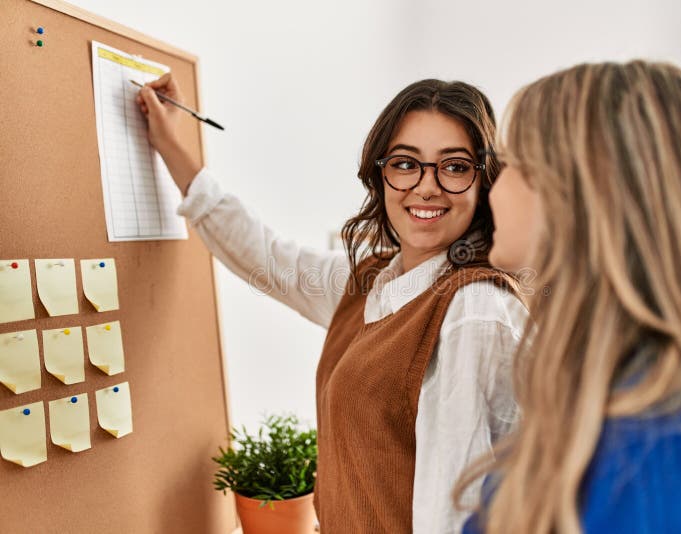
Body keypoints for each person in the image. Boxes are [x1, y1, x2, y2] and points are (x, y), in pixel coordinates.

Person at [136, 76, 528, 533]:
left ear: (484, 180)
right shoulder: (371, 282)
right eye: (405, 164)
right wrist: (170, 144)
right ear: (380, 173)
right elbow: (265, 255)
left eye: (455, 166)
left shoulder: (474, 310)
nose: (426, 187)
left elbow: (454, 514)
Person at [459, 60, 681, 533]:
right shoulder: (601, 418)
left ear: (577, 195)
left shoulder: (661, 465)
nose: (494, 186)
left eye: (514, 162)